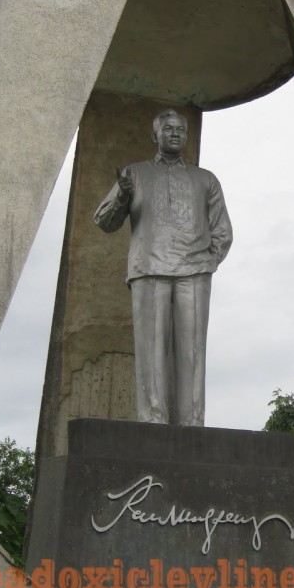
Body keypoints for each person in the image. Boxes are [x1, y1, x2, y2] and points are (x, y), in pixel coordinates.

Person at [94, 109, 232, 426]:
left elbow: (222, 230)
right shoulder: (134, 174)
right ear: (154, 135)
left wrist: (207, 261)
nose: (175, 134)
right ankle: (152, 425)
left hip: (194, 273)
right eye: (168, 129)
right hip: (149, 270)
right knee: (151, 353)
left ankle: (192, 425)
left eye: (181, 130)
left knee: (192, 354)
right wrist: (121, 198)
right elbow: (104, 222)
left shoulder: (205, 179)